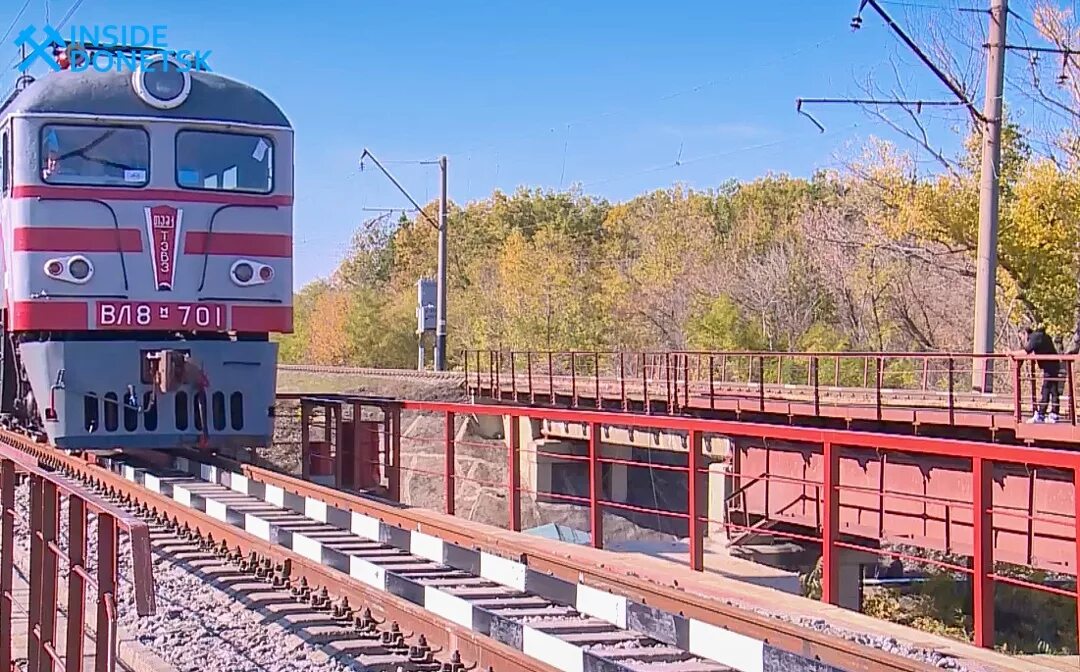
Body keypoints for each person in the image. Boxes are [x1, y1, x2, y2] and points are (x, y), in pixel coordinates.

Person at [1016, 325, 1061, 423]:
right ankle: (1054, 413)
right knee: (1053, 389)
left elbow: (1026, 351)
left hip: (1050, 365)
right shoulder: (1040, 336)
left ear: (1025, 333)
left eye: (1021, 337)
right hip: (1053, 364)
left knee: (1046, 388)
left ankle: (1041, 414)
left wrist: (1012, 353)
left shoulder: (1035, 337)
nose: (1022, 340)